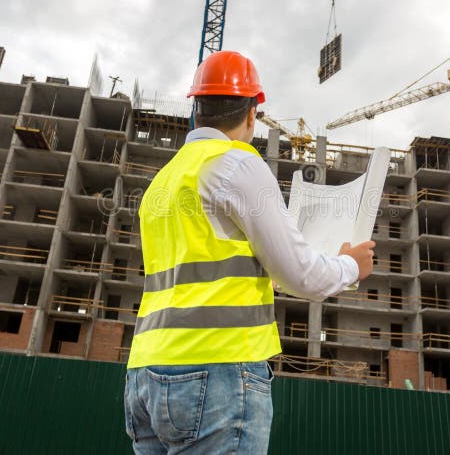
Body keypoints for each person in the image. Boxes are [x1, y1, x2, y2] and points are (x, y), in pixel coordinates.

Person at [124, 51, 375, 454]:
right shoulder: (236, 163)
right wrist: (351, 265)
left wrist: (262, 274)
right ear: (252, 113)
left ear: (196, 107)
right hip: (217, 371)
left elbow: (198, 270)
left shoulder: (165, 179)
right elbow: (303, 276)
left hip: (145, 373)